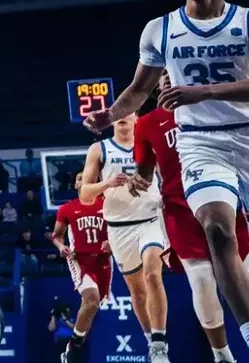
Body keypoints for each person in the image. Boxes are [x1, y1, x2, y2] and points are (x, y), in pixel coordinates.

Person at [88, 0, 249, 361]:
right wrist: (109, 114)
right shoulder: (160, 28)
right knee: (218, 230)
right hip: (201, 141)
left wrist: (200, 91)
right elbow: (139, 89)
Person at [132, 88, 249, 363]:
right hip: (180, 210)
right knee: (201, 281)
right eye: (163, 76)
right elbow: (143, 169)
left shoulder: (216, 106)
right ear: (157, 85)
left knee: (247, 279)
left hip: (225, 201)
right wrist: (138, 180)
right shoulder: (147, 123)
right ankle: (222, 355)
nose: (169, 80)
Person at [79, 113, 168, 361]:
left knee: (153, 273)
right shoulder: (99, 149)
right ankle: (151, 340)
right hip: (119, 227)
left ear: (136, 119)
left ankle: (161, 344)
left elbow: (169, 175)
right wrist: (106, 184)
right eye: (116, 114)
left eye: (126, 113)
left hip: (151, 220)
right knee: (138, 293)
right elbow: (85, 195)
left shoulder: (150, 142)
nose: (121, 117)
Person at [51, 177, 110, 363]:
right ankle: (74, 346)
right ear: (76, 185)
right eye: (80, 178)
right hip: (80, 259)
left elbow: (119, 229)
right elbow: (57, 235)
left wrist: (113, 240)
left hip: (103, 260)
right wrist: (61, 247)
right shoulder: (67, 208)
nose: (84, 180)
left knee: (92, 307)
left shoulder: (108, 204)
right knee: (91, 302)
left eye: (89, 178)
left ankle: (72, 346)